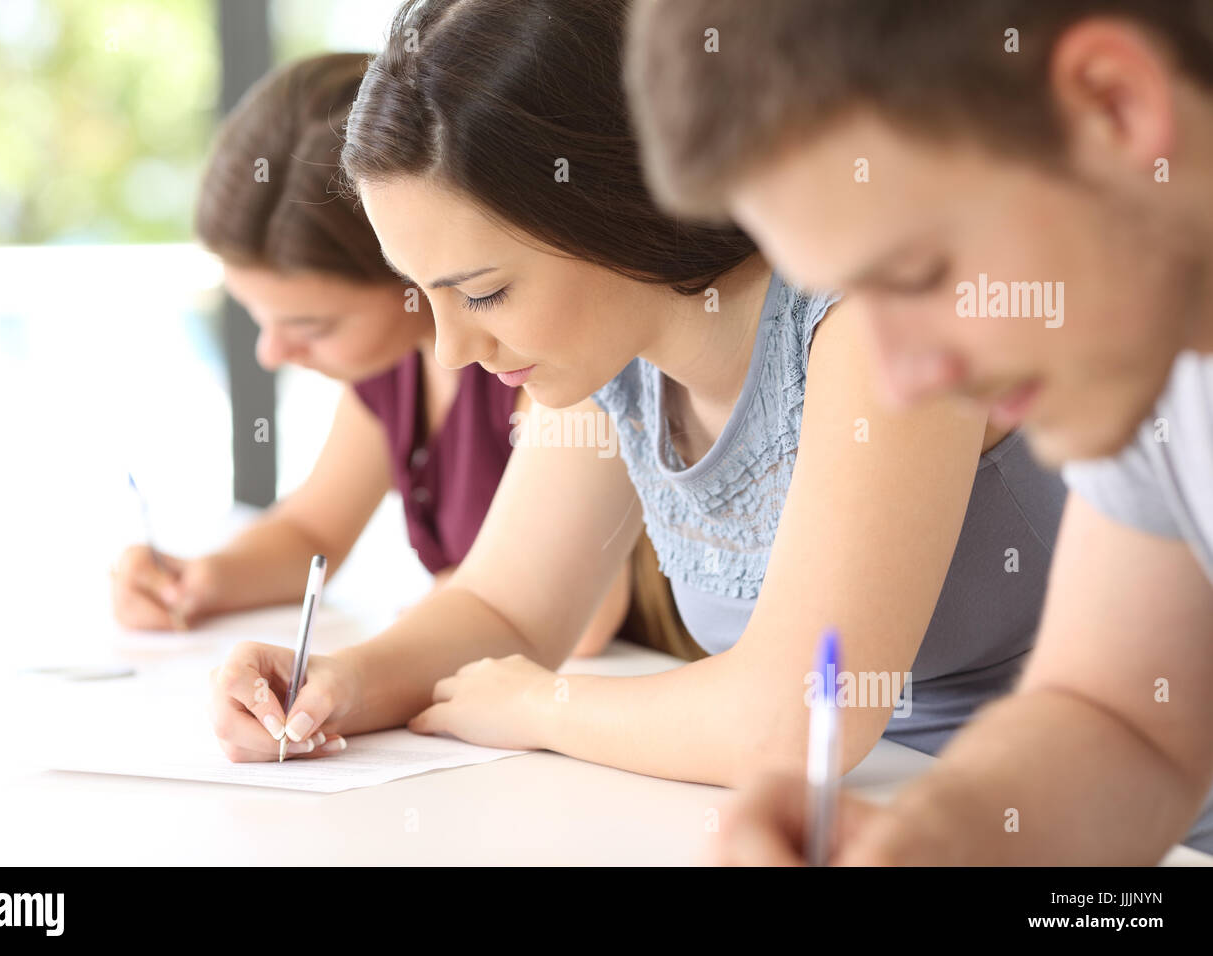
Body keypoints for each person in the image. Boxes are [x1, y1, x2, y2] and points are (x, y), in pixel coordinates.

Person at [205, 0, 1065, 776]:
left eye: (483, 292)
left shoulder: (869, 312)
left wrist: (545, 706)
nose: (452, 350)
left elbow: (798, 718)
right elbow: (504, 609)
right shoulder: (613, 360)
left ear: (610, 206)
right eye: (423, 294)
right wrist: (330, 685)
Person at [624, 0, 1213, 861]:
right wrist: (932, 842)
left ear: (1114, 104)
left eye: (917, 273)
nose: (901, 379)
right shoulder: (1144, 343)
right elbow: (1120, 722)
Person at [110, 53, 640, 658]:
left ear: (409, 268)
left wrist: (471, 604)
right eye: (259, 319)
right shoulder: (391, 371)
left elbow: (587, 618)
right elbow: (312, 531)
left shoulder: (538, 361)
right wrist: (200, 579)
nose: (271, 352)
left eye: (312, 324)